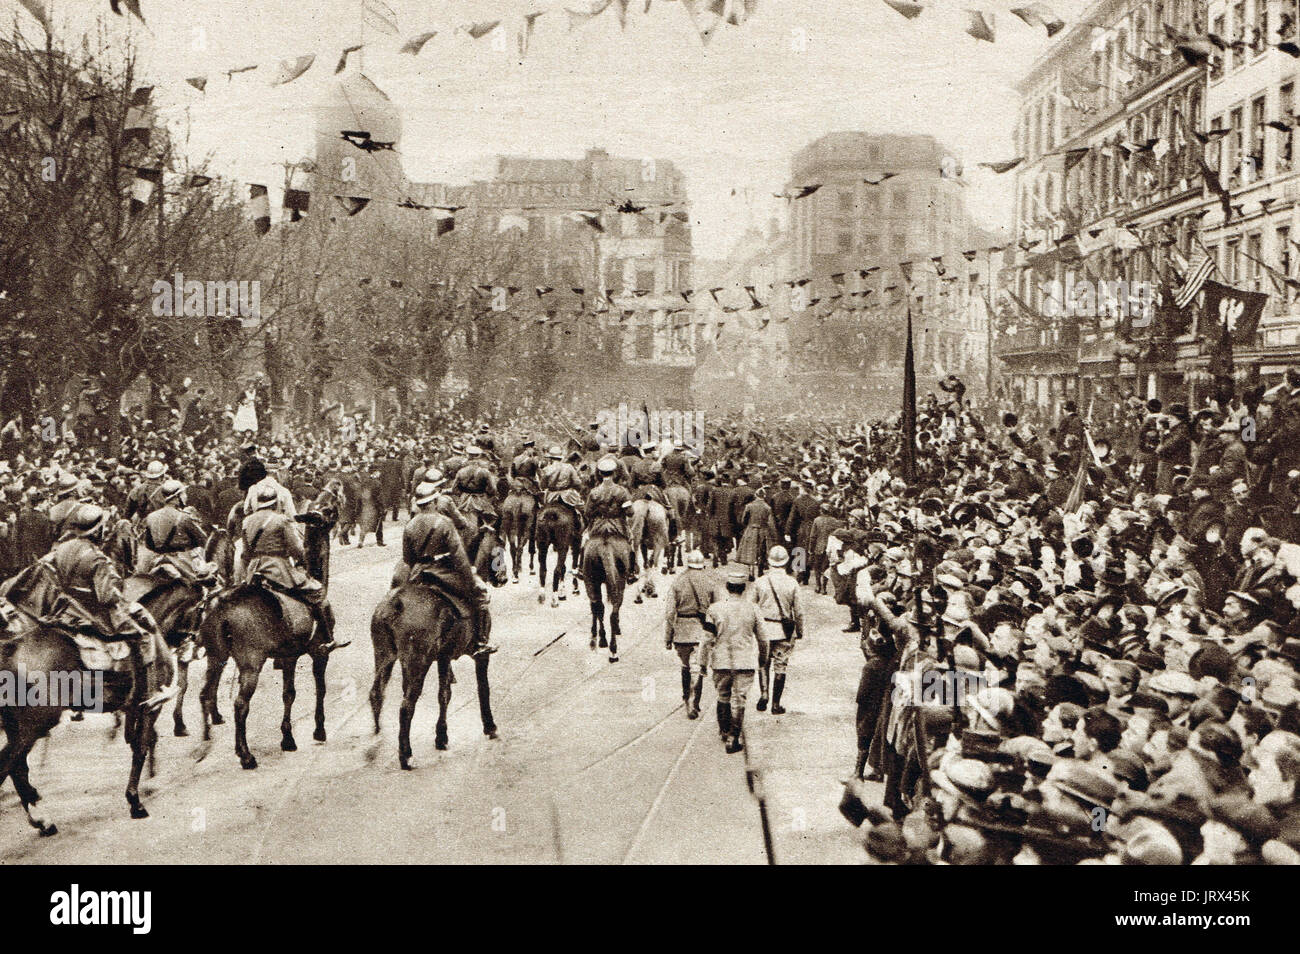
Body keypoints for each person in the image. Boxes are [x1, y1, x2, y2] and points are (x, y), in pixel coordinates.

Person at [48, 504, 176, 710]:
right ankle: (149, 691)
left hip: (66, 609)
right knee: (143, 636)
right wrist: (118, 588)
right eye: (103, 527)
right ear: (97, 530)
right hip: (93, 614)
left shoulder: (62, 548)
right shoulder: (96, 558)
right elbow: (107, 597)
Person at [240, 484, 346, 653]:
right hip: (277, 568)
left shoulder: (247, 521)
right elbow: (297, 550)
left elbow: (245, 552)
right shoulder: (281, 520)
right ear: (275, 503)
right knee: (317, 592)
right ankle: (328, 639)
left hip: (254, 569)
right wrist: (302, 563)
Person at [397, 480, 495, 656]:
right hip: (442, 570)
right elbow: (459, 557)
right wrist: (471, 579)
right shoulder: (445, 522)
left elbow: (407, 557)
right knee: (480, 596)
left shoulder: (410, 525)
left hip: (418, 571)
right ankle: (480, 642)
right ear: (434, 502)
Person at [702, 563, 762, 753]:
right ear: (744, 588)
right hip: (745, 661)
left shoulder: (714, 609)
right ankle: (734, 737)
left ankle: (724, 731)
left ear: (727, 587)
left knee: (723, 696)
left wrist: (702, 662)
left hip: (721, 661)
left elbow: (706, 639)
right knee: (740, 700)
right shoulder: (753, 609)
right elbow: (763, 639)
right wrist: (763, 660)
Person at [751, 544, 805, 714]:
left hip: (764, 629)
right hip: (784, 630)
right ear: (786, 562)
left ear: (769, 562)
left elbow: (752, 607)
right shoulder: (792, 583)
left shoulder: (760, 582)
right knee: (781, 665)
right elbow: (799, 611)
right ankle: (775, 704)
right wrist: (800, 630)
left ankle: (764, 693)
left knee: (763, 663)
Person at [664, 549, 714, 719]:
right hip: (702, 630)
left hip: (682, 631)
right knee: (698, 667)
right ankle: (695, 702)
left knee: (686, 667)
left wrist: (668, 637)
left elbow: (670, 613)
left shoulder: (678, 582)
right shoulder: (709, 581)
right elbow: (716, 610)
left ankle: (688, 699)